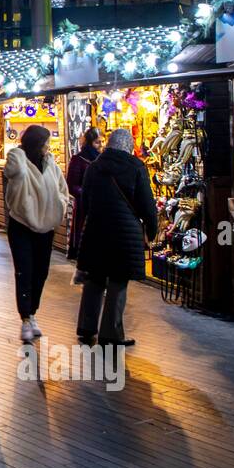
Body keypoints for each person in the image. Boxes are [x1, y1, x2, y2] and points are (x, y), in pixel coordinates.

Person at [75, 129, 158, 348]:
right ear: (129, 146)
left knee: (94, 278)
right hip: (124, 233)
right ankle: (111, 334)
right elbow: (146, 204)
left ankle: (86, 326)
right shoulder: (136, 167)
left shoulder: (95, 167)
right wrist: (152, 228)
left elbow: (85, 199)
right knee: (118, 281)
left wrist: (90, 220)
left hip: (96, 229)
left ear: (109, 145)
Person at [3, 124, 70, 343]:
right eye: (45, 143)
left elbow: (62, 189)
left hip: (46, 227)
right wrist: (19, 153)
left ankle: (32, 313)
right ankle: (25, 318)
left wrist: (59, 206)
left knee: (40, 272)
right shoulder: (18, 160)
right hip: (21, 225)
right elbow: (14, 173)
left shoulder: (51, 164)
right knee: (25, 270)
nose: (48, 147)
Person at [66, 127, 102, 260]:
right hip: (84, 206)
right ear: (90, 142)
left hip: (99, 204)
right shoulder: (78, 159)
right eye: (97, 142)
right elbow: (71, 185)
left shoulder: (102, 159)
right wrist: (86, 193)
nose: (100, 145)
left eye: (101, 142)